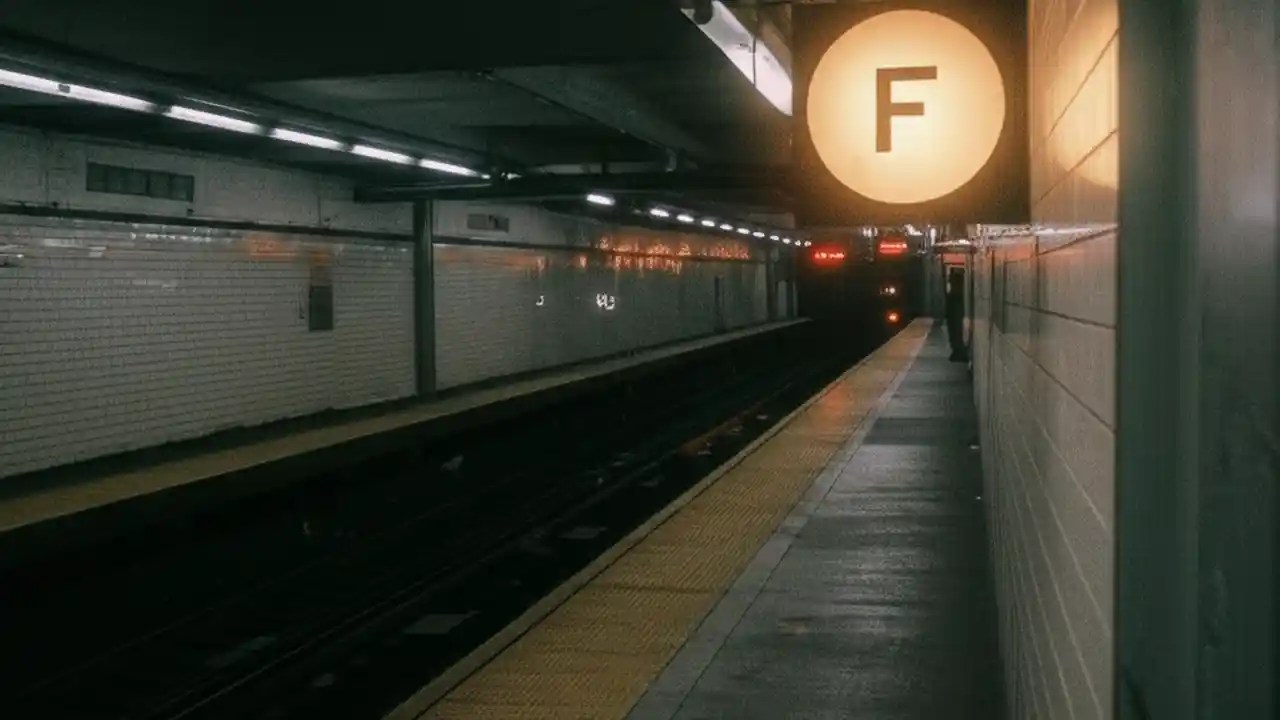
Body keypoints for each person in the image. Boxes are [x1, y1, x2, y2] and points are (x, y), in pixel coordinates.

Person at [945, 266, 968, 362]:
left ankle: (958, 350)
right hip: (955, 322)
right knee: (955, 330)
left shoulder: (953, 297)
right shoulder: (957, 297)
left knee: (955, 330)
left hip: (955, 323)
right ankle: (958, 350)